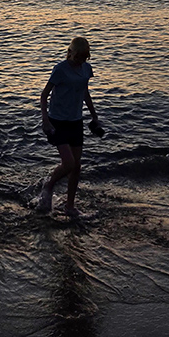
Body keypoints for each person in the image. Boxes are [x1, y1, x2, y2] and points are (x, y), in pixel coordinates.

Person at [39, 37, 103, 218]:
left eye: (84, 58)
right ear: (70, 52)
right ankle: (49, 185)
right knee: (69, 163)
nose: (80, 61)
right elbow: (44, 95)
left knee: (76, 167)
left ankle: (70, 206)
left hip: (76, 120)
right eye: (77, 57)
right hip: (57, 120)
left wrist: (94, 115)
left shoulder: (86, 69)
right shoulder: (60, 69)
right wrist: (45, 120)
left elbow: (84, 92)